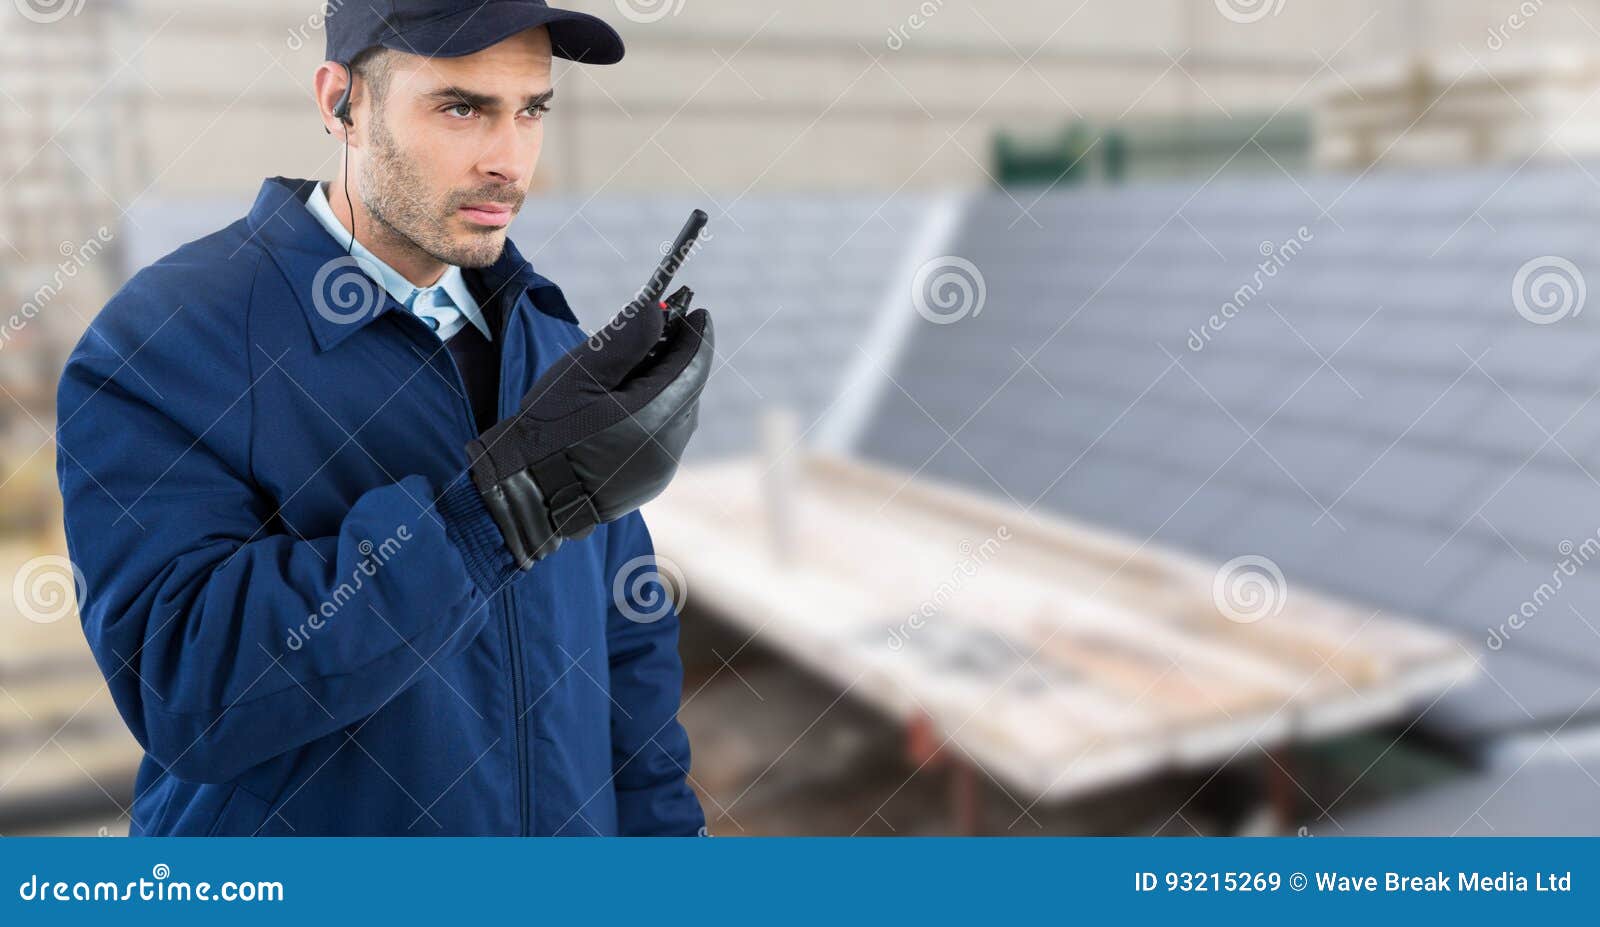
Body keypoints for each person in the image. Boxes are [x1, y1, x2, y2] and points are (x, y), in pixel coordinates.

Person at [54, 0, 712, 836]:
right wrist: (493, 518)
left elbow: (627, 656)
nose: (511, 160)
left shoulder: (549, 340)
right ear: (341, 103)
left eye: (532, 110)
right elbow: (186, 690)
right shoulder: (171, 340)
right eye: (461, 107)